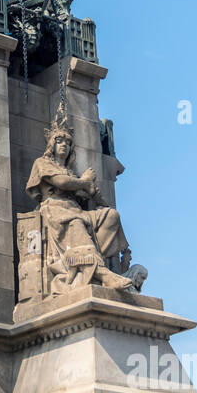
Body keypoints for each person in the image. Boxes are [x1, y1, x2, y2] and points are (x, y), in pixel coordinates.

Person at [26, 112, 132, 294]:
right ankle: (102, 273)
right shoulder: (42, 163)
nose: (64, 146)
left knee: (111, 215)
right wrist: (84, 182)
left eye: (68, 143)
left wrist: (92, 192)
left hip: (75, 210)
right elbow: (61, 182)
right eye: (60, 141)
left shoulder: (71, 172)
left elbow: (96, 198)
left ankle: (98, 265)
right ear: (52, 145)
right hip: (55, 210)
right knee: (75, 222)